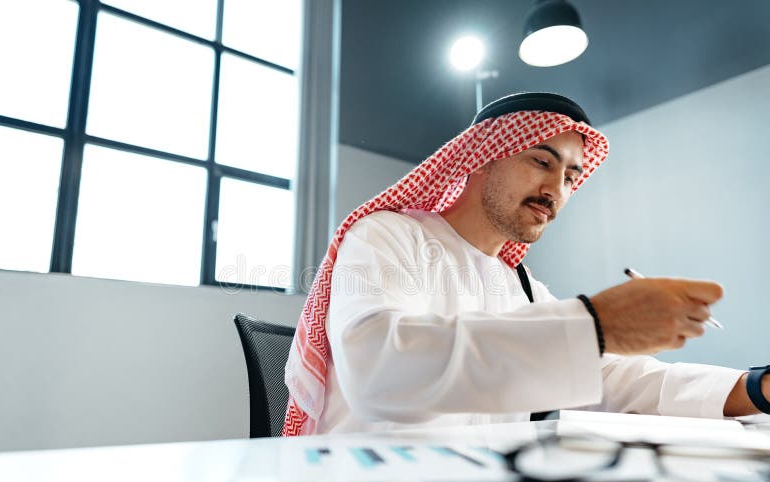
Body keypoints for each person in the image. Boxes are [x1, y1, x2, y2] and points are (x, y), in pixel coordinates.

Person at [282, 92, 769, 436]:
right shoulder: (387, 236)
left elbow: (616, 379)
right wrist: (595, 324)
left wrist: (756, 388)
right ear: (482, 156)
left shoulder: (523, 286)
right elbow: (379, 371)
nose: (557, 190)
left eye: (572, 177)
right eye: (542, 161)